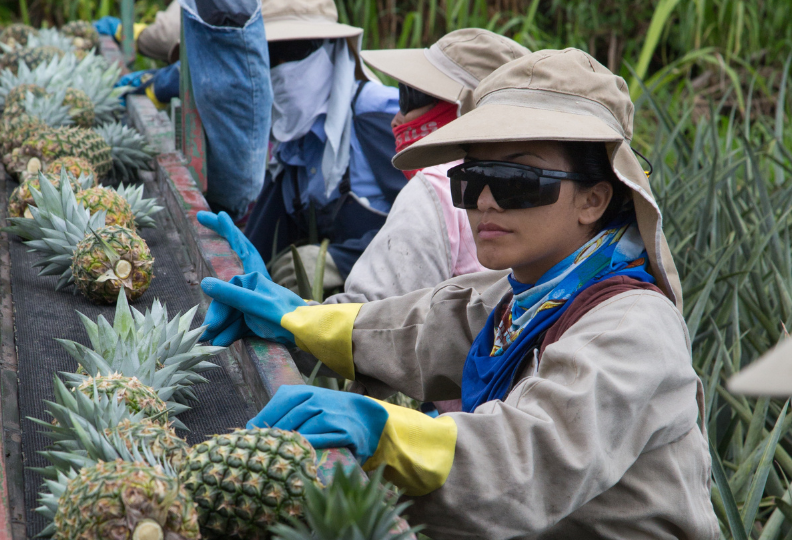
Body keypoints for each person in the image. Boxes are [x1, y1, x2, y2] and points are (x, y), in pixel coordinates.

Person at [197, 48, 717, 538]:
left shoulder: (632, 328)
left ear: (593, 199)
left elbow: (528, 457)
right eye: (471, 180)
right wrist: (295, 320)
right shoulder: (531, 291)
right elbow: (423, 328)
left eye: (518, 179)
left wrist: (386, 433)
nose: (486, 201)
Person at [270, 28, 530, 304]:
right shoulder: (538, 189)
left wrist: (290, 315)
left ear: (461, 108)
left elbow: (368, 316)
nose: (395, 119)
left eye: (409, 98)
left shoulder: (436, 187)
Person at [241, 0, 401, 276]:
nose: (280, 66)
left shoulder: (379, 116)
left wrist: (339, 260)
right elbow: (258, 245)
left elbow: (442, 224)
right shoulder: (291, 146)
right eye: (269, 53)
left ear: (331, 48)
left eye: (293, 51)